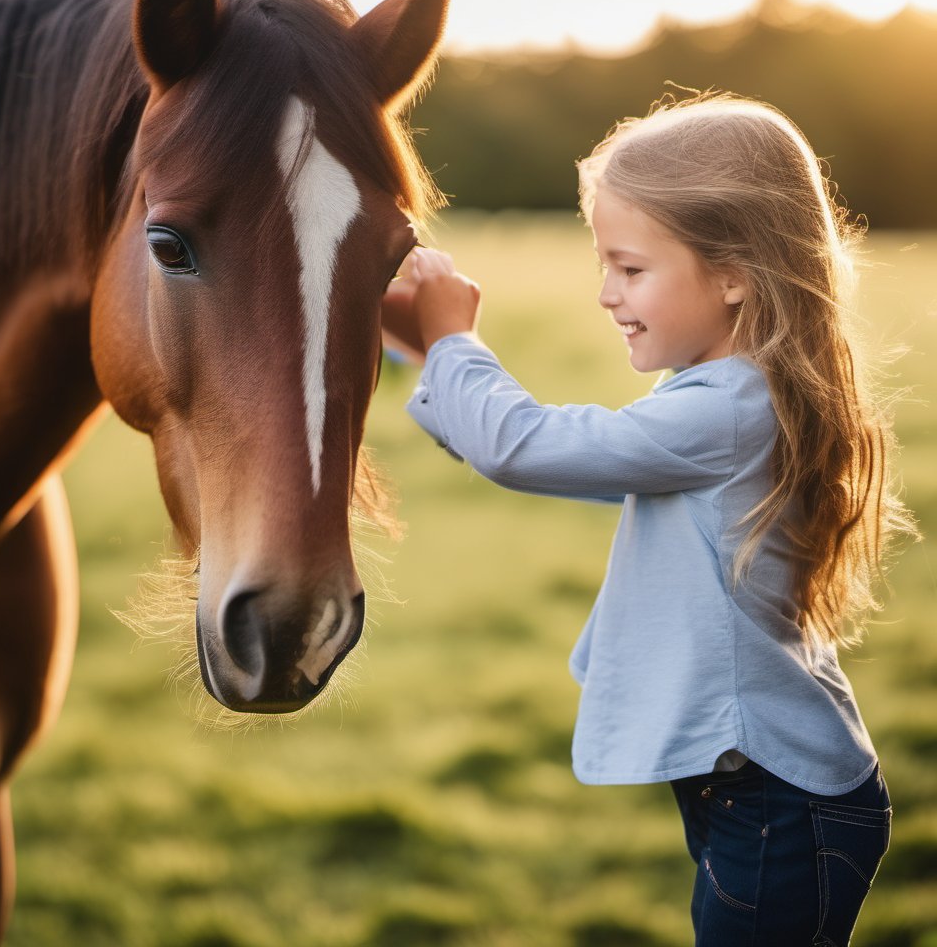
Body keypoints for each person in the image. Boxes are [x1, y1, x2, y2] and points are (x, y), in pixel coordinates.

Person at [380, 91, 915, 944]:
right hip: (762, 795)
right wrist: (425, 353)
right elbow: (559, 458)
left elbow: (525, 447)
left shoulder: (733, 410)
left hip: (781, 805)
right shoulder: (724, 399)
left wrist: (454, 343)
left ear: (735, 272)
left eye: (630, 269)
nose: (605, 294)